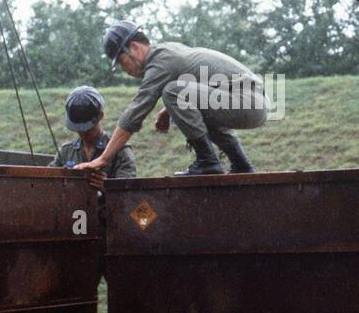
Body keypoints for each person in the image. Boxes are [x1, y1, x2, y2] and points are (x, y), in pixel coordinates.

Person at [75, 21, 266, 177]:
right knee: (176, 94)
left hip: (247, 101)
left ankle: (207, 161)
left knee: (172, 91)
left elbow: (135, 112)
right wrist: (168, 110)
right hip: (250, 101)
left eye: (121, 61)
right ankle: (241, 164)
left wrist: (103, 159)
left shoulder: (160, 62)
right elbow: (199, 85)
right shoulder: (168, 51)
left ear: (134, 48)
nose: (125, 70)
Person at [50, 85, 136, 189]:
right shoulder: (66, 152)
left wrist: (109, 186)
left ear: (100, 116)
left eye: (88, 128)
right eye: (79, 129)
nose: (83, 133)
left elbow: (130, 193)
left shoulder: (120, 151)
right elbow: (47, 184)